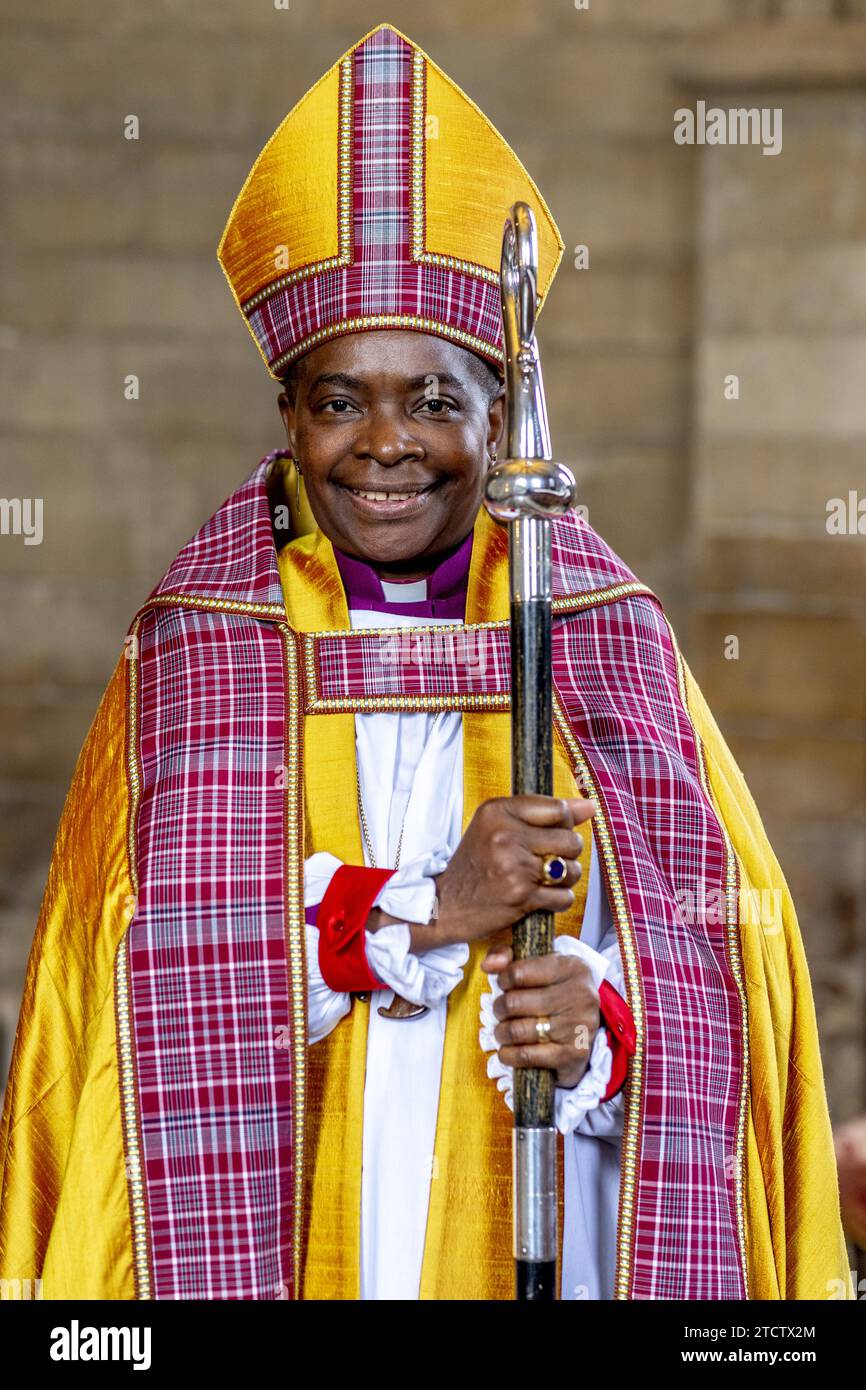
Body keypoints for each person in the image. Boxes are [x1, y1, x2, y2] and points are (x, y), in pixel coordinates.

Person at [0, 21, 850, 1301]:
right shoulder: (200, 644)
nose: (385, 443)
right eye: (340, 400)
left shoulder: (600, 637)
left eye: (435, 400)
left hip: (544, 1222)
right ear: (288, 416)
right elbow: (119, 993)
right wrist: (434, 909)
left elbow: (733, 971)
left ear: (499, 417)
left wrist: (605, 1032)